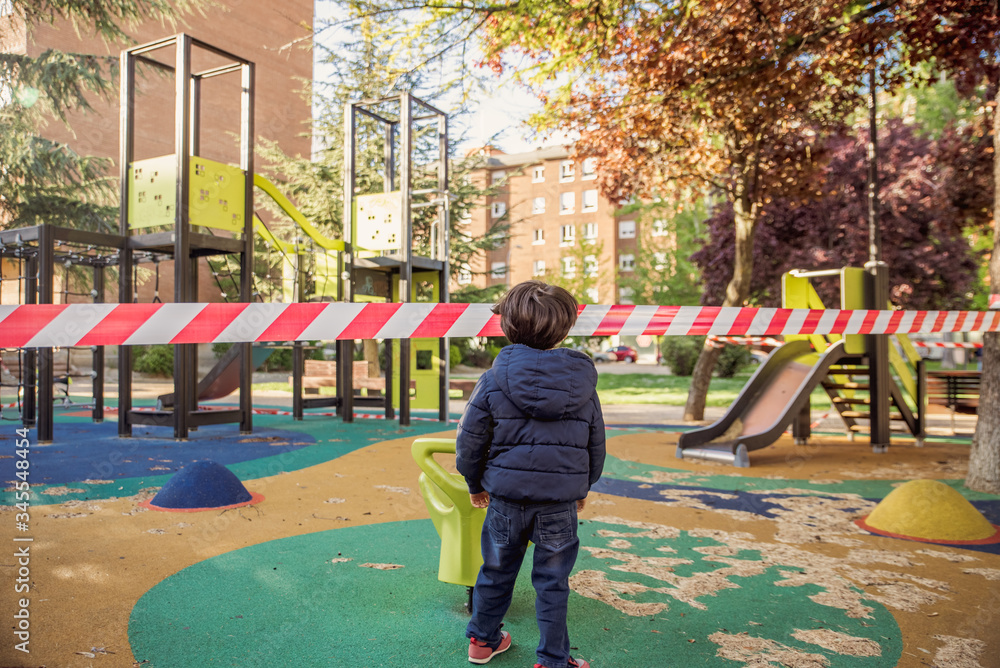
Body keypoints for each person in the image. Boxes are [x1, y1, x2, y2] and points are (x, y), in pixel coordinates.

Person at [456, 280, 606, 668]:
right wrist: (583, 486)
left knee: (495, 570)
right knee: (553, 583)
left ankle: (482, 642)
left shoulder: (493, 379)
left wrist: (474, 484)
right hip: (558, 503)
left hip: (506, 500)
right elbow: (595, 442)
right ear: (566, 328)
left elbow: (470, 440)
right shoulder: (582, 383)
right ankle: (553, 660)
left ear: (507, 326)